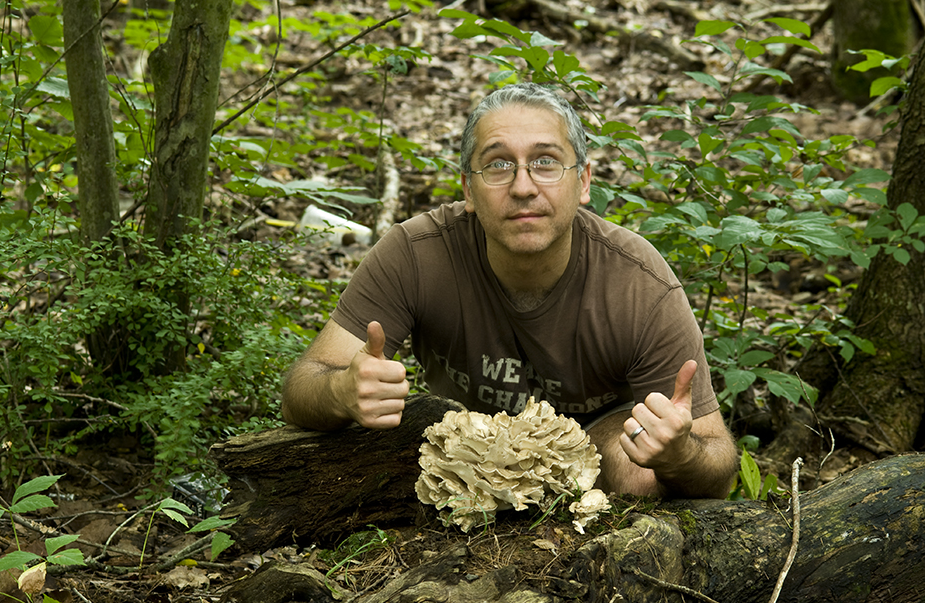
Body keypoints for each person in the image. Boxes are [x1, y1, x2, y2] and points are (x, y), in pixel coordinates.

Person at [281, 82, 737, 498]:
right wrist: (342, 388)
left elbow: (718, 463)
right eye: (498, 165)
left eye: (545, 163)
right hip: (467, 455)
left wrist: (681, 453)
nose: (523, 187)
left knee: (638, 470)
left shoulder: (639, 284)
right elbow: (303, 386)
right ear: (468, 190)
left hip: (601, 442)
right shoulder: (416, 254)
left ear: (582, 181)